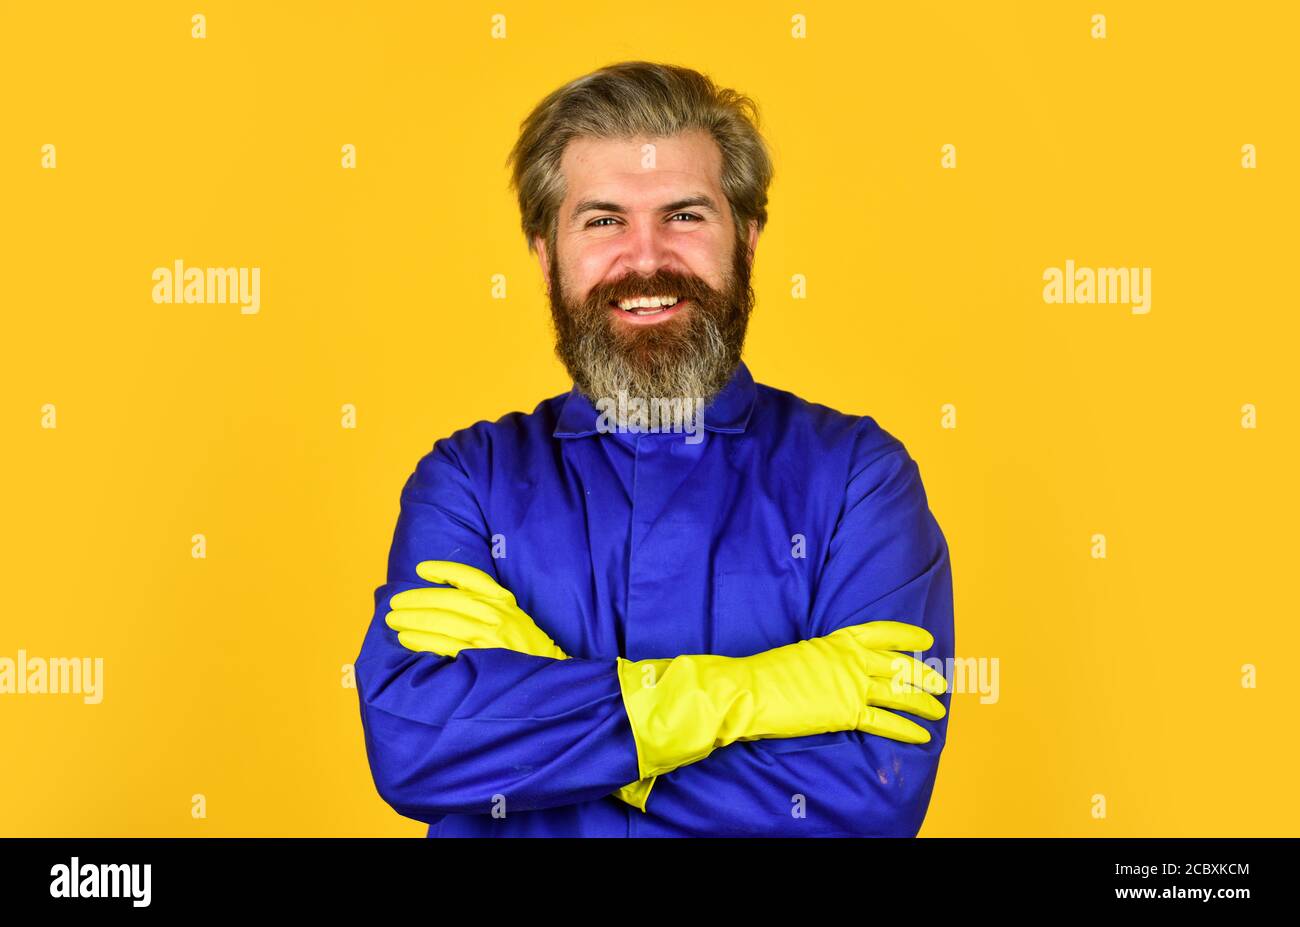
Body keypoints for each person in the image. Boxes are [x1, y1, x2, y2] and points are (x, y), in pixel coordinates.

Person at [354, 61, 955, 837]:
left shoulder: (858, 483)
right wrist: (737, 696)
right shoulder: (468, 483)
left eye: (685, 215)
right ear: (545, 253)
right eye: (603, 220)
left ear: (749, 238)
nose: (645, 259)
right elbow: (416, 745)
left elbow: (869, 797)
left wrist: (552, 707)